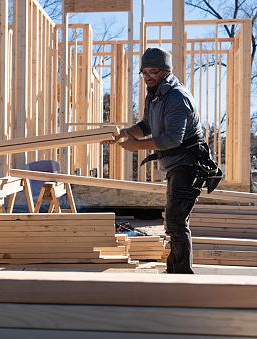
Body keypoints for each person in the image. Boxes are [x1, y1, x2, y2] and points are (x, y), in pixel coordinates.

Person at [102, 47, 207, 274]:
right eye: (144, 71)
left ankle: (182, 277)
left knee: (177, 220)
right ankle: (174, 273)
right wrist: (123, 134)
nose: (148, 76)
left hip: (188, 164)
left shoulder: (177, 97)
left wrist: (137, 146)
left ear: (166, 71)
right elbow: (146, 126)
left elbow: (172, 138)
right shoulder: (155, 95)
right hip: (175, 166)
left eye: (153, 71)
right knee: (173, 221)